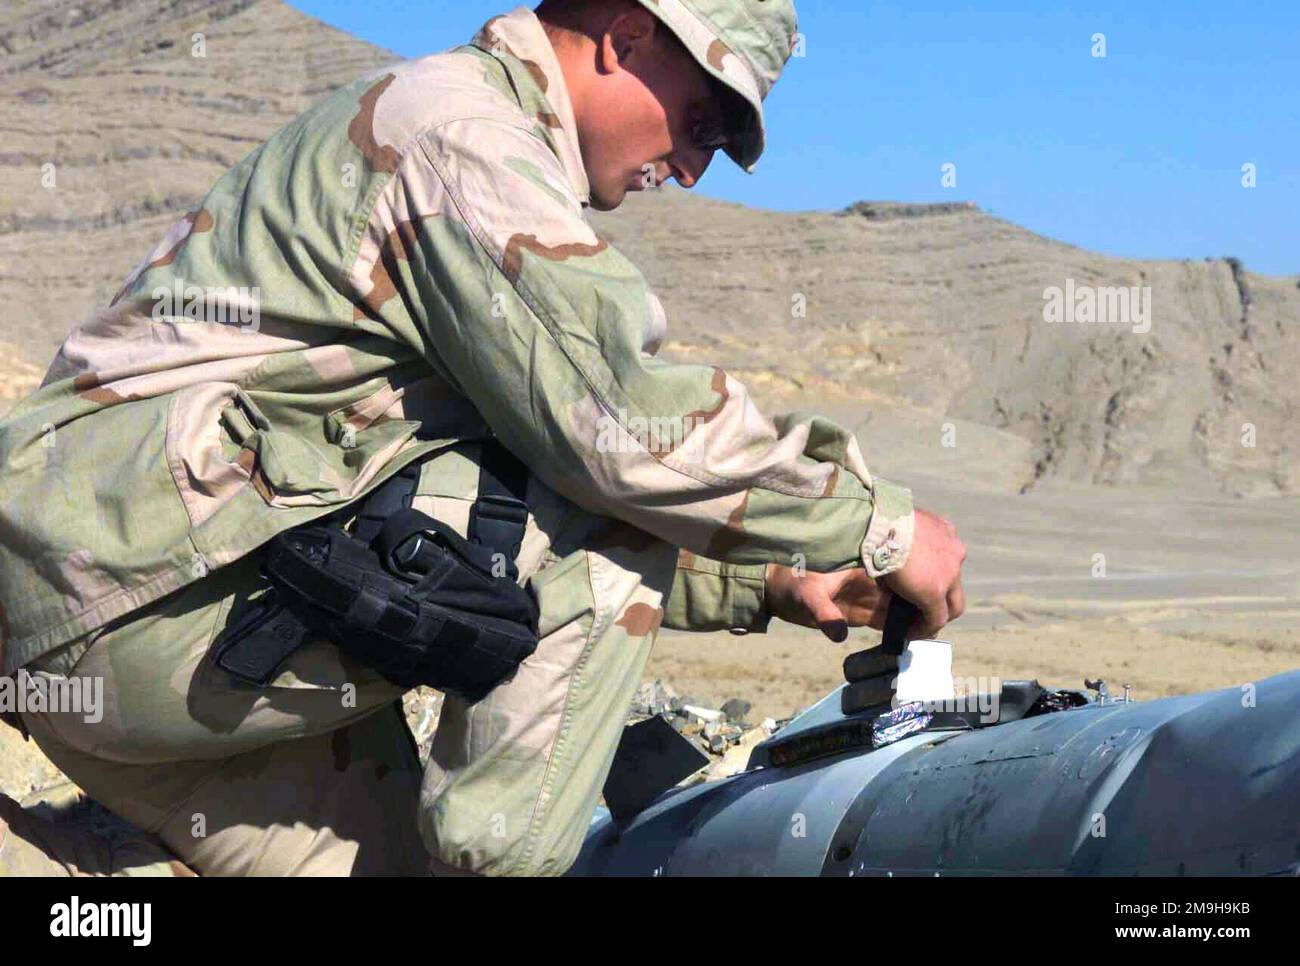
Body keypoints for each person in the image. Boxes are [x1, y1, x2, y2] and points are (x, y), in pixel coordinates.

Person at [0, 0, 964, 876]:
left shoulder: (449, 126)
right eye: (702, 119)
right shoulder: (462, 136)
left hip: (145, 629)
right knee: (614, 495)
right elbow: (625, 428)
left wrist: (775, 579)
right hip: (131, 600)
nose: (694, 164)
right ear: (625, 36)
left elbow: (511, 476)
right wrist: (878, 527)